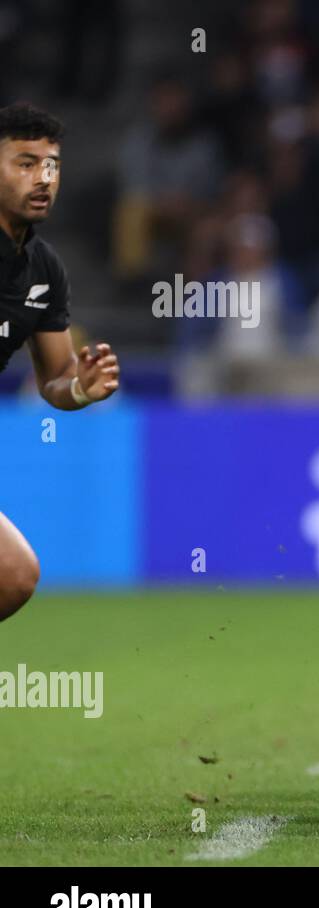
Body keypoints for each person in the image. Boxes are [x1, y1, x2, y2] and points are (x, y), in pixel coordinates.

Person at [0, 103, 121, 623]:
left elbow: (54, 377)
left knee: (15, 576)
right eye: (25, 163)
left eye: (50, 164)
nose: (42, 177)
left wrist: (81, 388)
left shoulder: (43, 268)